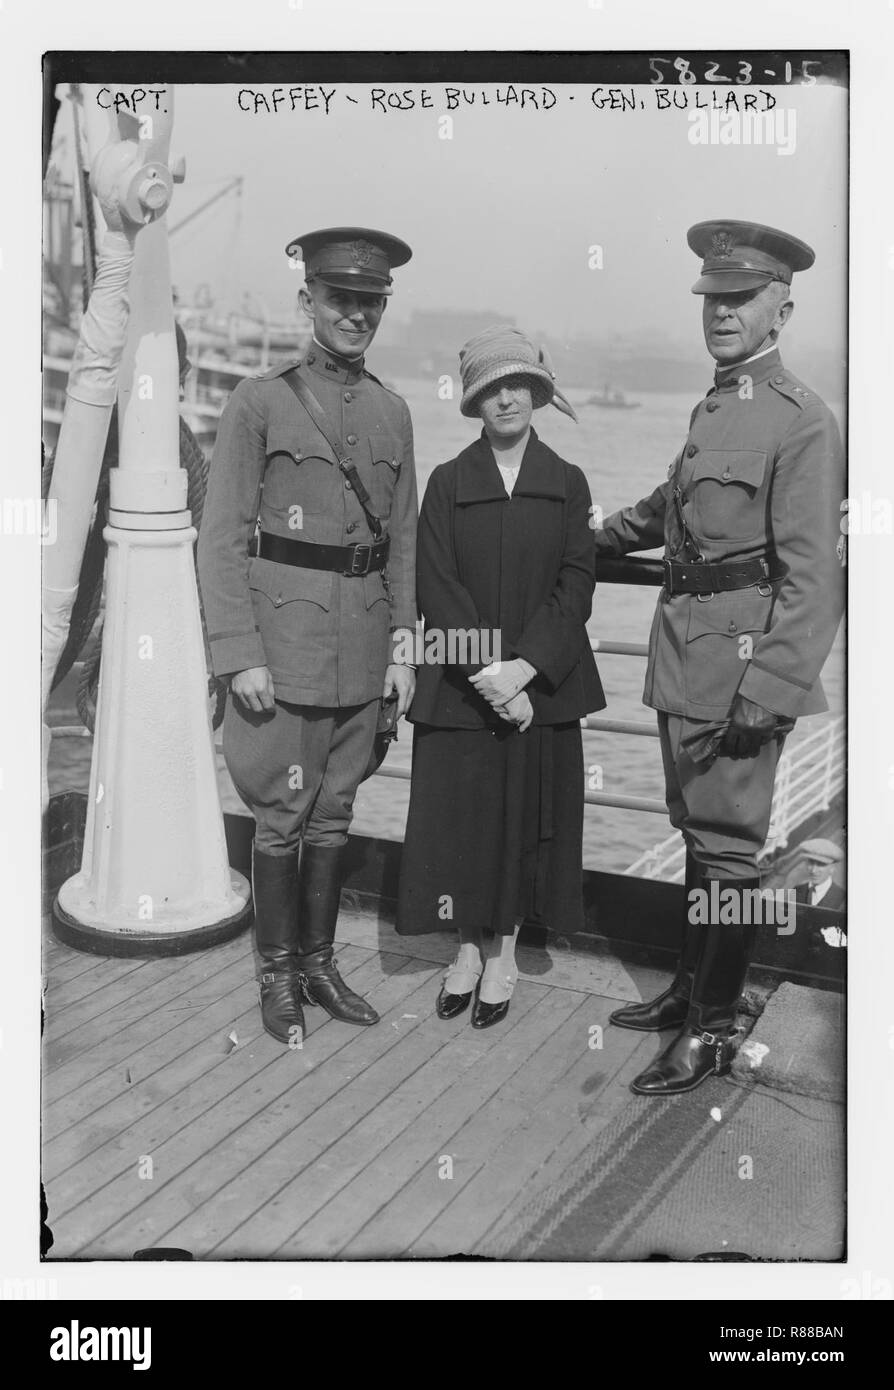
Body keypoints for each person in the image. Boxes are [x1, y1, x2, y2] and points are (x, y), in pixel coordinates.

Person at [594, 220, 845, 1094]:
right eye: (713, 298)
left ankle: (709, 1033)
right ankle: (688, 991)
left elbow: (814, 583)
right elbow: (672, 507)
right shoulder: (717, 406)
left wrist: (768, 691)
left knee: (733, 853)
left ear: (782, 306)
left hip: (740, 671)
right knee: (702, 839)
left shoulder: (804, 421)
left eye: (741, 299)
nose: (723, 313)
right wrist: (585, 543)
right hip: (686, 657)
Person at [197, 227, 418, 1045]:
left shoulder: (393, 411)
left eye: (370, 303)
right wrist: (238, 652)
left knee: (335, 812)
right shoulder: (261, 400)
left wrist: (405, 650)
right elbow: (220, 536)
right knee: (281, 816)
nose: (355, 315)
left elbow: (404, 543)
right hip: (280, 650)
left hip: (363, 648)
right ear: (308, 303)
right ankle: (277, 977)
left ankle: (321, 966)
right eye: (340, 299)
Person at [396, 327, 604, 1027]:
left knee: (524, 819)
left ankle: (505, 953)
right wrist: (489, 674)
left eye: (517, 385)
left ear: (538, 394)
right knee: (463, 818)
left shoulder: (567, 485)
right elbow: (436, 583)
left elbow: (575, 587)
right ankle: (463, 949)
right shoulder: (449, 484)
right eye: (490, 388)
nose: (506, 397)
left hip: (539, 689)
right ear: (474, 400)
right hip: (463, 687)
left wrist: (523, 671)